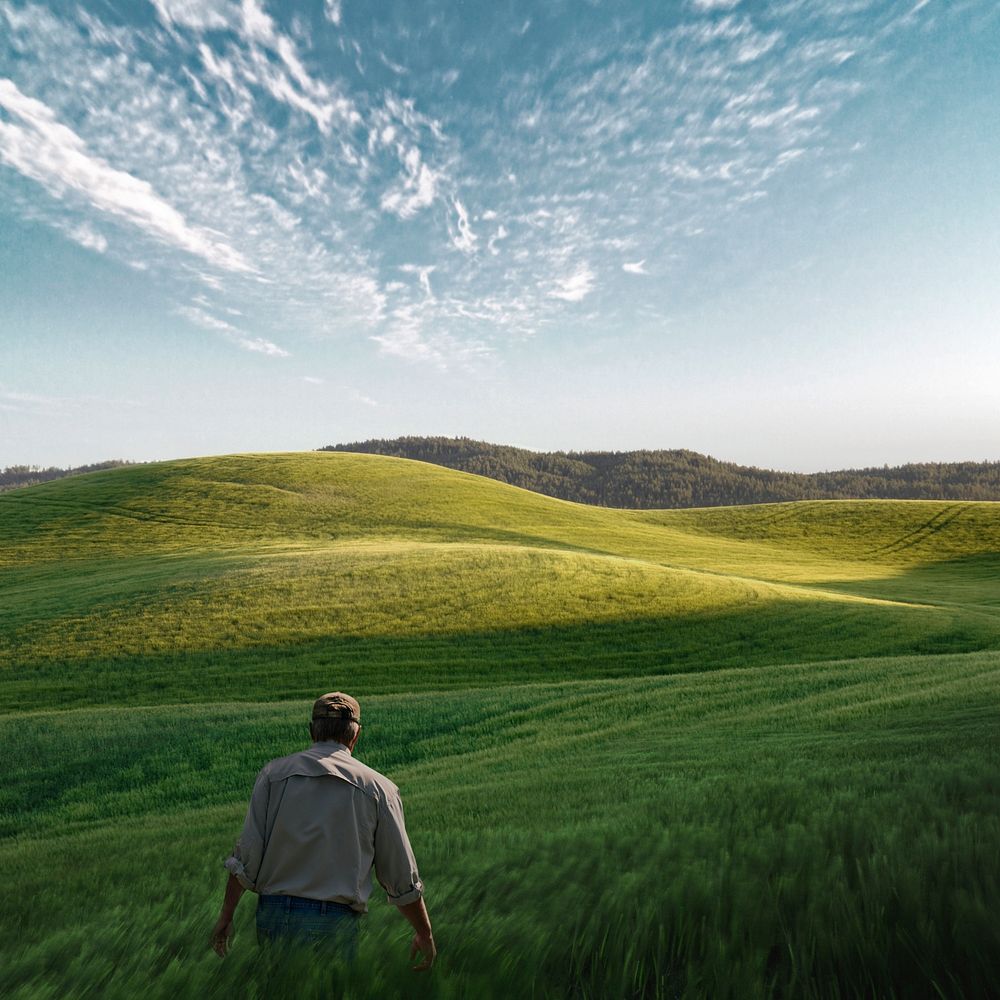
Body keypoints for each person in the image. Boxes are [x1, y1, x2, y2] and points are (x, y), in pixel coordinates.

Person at [209, 691, 436, 970]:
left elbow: (247, 856)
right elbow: (400, 873)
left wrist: (226, 914)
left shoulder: (273, 775)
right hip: (334, 920)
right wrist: (424, 932)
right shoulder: (379, 789)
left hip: (274, 915)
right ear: (356, 735)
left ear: (311, 731)